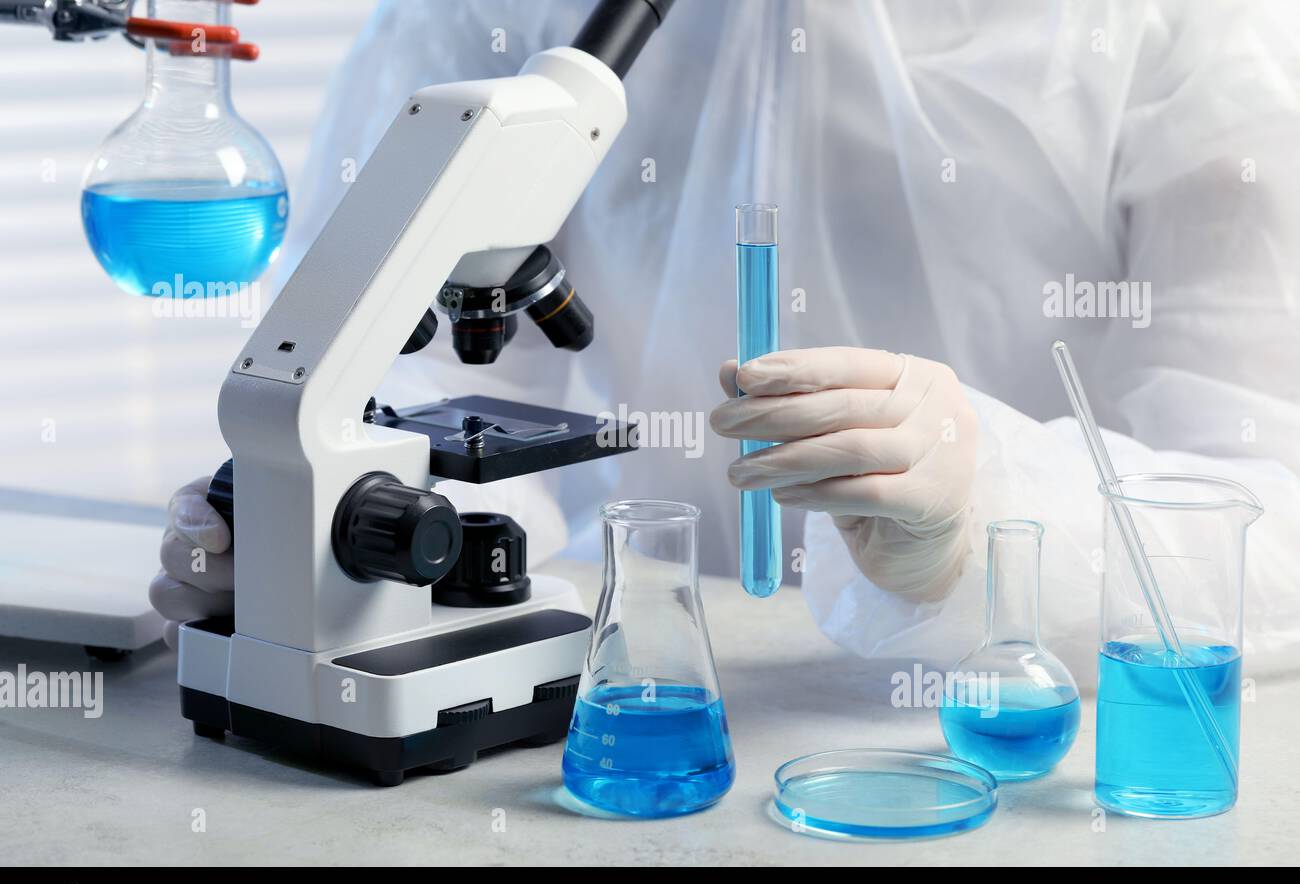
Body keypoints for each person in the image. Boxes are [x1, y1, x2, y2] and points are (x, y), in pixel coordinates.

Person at [151, 0, 1300, 681]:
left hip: (1007, 735)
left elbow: (1273, 504)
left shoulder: (1183, 30)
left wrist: (990, 511)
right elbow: (404, 364)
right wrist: (304, 533)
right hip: (617, 694)